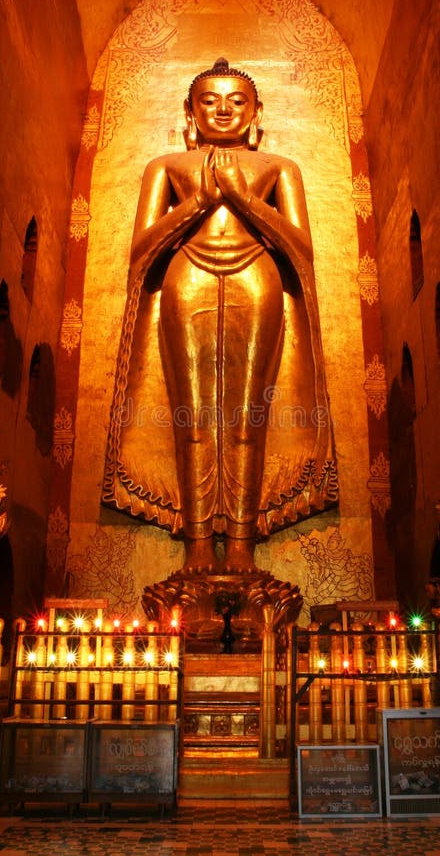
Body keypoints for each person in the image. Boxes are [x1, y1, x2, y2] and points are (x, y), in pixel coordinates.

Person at [103, 59, 337, 571]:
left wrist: (243, 199)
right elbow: (141, 251)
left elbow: (301, 249)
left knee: (248, 415)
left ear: (256, 114)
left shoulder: (279, 167)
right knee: (191, 414)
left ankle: (240, 548)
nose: (224, 109)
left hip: (258, 279)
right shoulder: (166, 167)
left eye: (237, 101)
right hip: (187, 278)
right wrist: (201, 202)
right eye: (209, 100)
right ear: (190, 113)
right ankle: (197, 549)